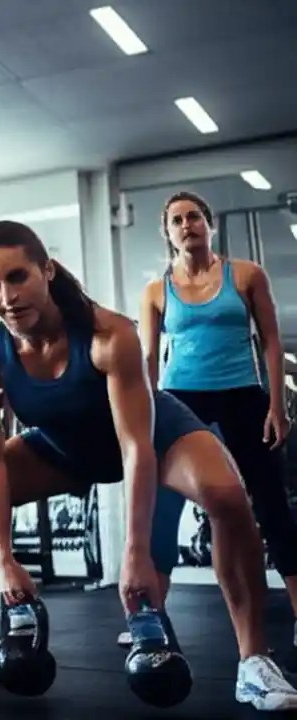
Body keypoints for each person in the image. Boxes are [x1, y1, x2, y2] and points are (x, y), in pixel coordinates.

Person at [0, 220, 297, 711]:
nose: (6, 296)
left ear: (46, 271)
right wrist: (6, 559)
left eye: (18, 277)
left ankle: (254, 662)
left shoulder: (108, 334)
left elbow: (135, 447)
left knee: (227, 495)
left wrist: (134, 553)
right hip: (66, 447)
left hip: (155, 437)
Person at [121, 190, 297, 646]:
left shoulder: (246, 275)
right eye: (177, 220)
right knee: (162, 506)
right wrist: (145, 414)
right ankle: (152, 616)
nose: (187, 225)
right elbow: (147, 357)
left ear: (209, 223)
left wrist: (277, 404)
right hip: (180, 400)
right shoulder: (157, 289)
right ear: (168, 233)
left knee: (271, 503)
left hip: (242, 395)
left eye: (194, 216)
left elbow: (272, 342)